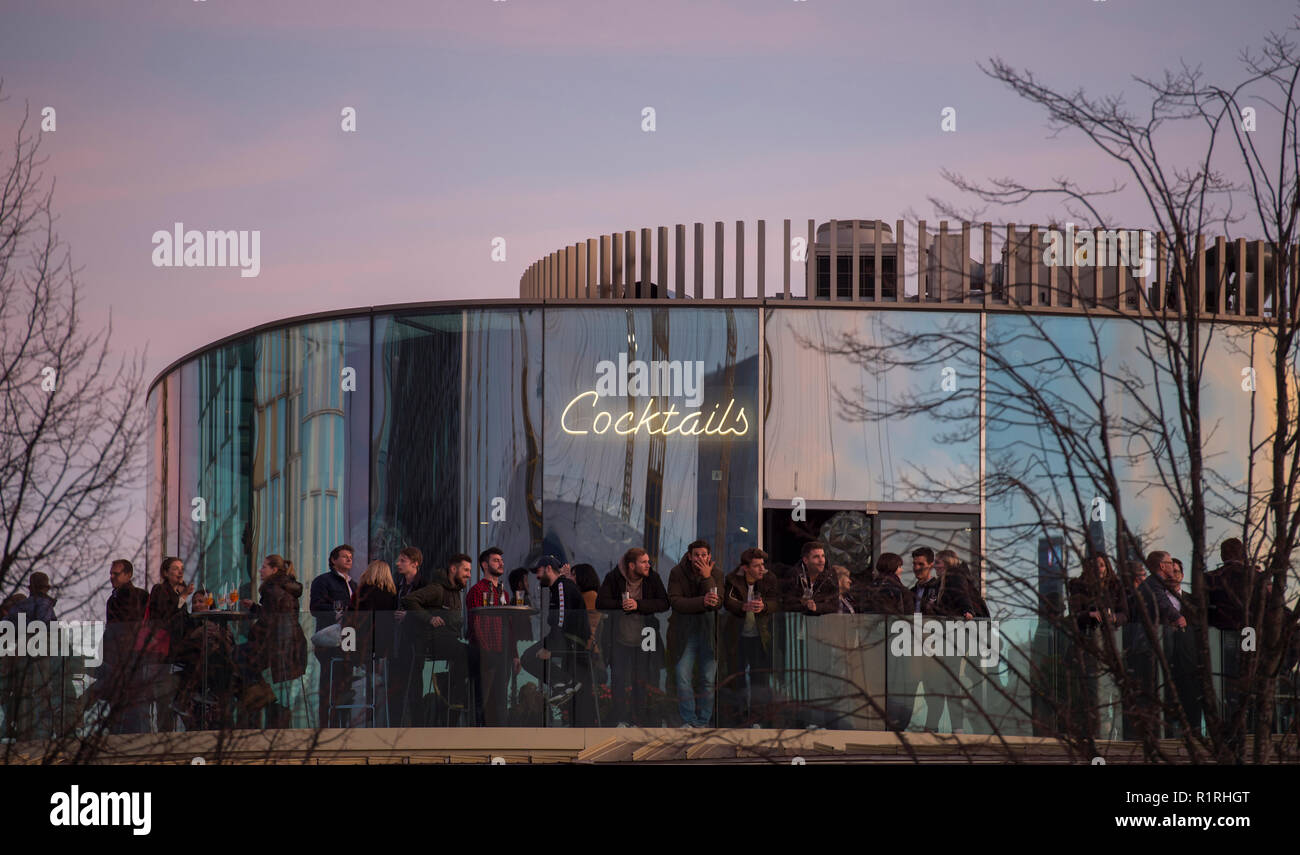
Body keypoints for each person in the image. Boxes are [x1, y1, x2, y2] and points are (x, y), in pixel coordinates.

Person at [596, 548, 670, 726]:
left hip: (647, 634)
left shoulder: (653, 577)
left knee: (644, 677)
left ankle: (641, 718)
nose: (648, 565)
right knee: (618, 677)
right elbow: (600, 603)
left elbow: (664, 603)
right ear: (631, 565)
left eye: (648, 562)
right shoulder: (614, 577)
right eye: (643, 562)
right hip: (619, 636)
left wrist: (638, 605)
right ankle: (620, 718)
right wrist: (621, 605)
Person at [403, 554, 472, 721]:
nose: (469, 575)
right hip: (433, 640)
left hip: (449, 639)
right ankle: (446, 684)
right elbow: (410, 600)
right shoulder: (437, 589)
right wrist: (429, 618)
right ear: (453, 569)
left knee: (473, 654)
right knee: (466, 653)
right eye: (466, 570)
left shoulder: (455, 592)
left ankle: (455, 693)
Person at [1066, 553, 1128, 739]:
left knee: (1112, 691)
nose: (1098, 569)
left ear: (1107, 567)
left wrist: (1114, 618)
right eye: (1094, 566)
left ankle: (1113, 733)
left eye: (1101, 565)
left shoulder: (1116, 587)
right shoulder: (1077, 586)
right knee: (1091, 692)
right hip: (1087, 646)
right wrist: (1089, 615)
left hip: (1111, 644)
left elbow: (1125, 613)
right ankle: (1092, 734)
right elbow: (1074, 614)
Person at [521, 555, 591, 712]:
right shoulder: (559, 587)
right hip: (564, 637)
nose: (538, 577)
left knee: (528, 658)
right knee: (528, 658)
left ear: (548, 569)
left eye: (539, 572)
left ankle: (566, 682)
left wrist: (550, 648)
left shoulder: (561, 586)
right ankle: (561, 684)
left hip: (568, 639)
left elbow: (561, 618)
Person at [668, 540, 725, 727]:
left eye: (703, 555)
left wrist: (708, 577)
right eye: (696, 555)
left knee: (708, 680)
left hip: (709, 633)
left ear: (709, 556)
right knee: (682, 677)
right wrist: (702, 601)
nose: (700, 558)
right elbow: (675, 601)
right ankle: (689, 720)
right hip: (685, 633)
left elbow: (718, 602)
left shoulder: (716, 574)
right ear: (690, 556)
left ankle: (703, 722)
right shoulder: (677, 572)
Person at [721, 548, 781, 726]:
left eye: (763, 564)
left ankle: (758, 719)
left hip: (760, 637)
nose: (762, 569)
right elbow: (728, 601)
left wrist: (765, 607)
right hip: (738, 637)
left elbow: (777, 602)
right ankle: (739, 718)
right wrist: (742, 606)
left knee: (759, 679)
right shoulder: (733, 579)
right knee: (736, 678)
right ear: (746, 568)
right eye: (757, 566)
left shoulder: (770, 579)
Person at [248, 555, 308, 727]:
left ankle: (267, 713)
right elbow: (278, 614)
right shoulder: (287, 587)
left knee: (239, 661)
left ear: (274, 570)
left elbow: (270, 620)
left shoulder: (271, 588)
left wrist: (252, 632)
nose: (260, 570)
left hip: (279, 645)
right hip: (293, 644)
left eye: (264, 567)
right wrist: (254, 608)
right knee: (280, 691)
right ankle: (275, 714)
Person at [465, 547, 519, 726]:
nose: (501, 563)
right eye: (496, 560)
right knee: (482, 699)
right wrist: (485, 652)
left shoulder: (503, 593)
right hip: (485, 653)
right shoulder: (476, 590)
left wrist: (515, 654)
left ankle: (500, 740)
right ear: (484, 564)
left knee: (501, 700)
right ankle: (477, 738)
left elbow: (509, 627)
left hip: (502, 652)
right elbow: (476, 624)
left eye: (501, 560)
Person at [345, 560, 399, 727]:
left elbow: (350, 621)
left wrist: (348, 648)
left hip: (363, 644)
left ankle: (364, 717)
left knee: (364, 681)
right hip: (385, 646)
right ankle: (382, 719)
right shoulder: (392, 595)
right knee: (382, 683)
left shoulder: (360, 593)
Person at [146, 557, 196, 732]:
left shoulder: (177, 594)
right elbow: (164, 617)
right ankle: (164, 736)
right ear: (166, 573)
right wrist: (183, 597)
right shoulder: (159, 590)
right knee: (164, 697)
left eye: (181, 568)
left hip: (177, 651)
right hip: (163, 653)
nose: (180, 571)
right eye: (175, 568)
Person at [309, 544, 355, 727]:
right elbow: (315, 608)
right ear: (333, 560)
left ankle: (345, 723)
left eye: (351, 556)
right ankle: (327, 725)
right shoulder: (323, 581)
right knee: (329, 683)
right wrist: (334, 613)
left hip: (349, 638)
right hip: (329, 638)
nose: (349, 559)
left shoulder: (354, 584)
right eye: (345, 556)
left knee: (346, 683)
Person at [102, 559, 149, 733]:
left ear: (128, 575)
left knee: (130, 698)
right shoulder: (114, 598)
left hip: (128, 654)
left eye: (116, 573)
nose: (112, 577)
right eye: (111, 573)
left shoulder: (135, 595)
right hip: (121, 654)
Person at [387, 546, 423, 726]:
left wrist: (409, 616)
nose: (397, 563)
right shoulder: (397, 586)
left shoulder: (424, 585)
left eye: (402, 560)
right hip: (398, 644)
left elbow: (429, 613)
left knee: (414, 686)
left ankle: (416, 727)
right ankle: (395, 727)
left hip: (414, 645)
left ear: (415, 564)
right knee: (396, 688)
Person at [781, 541, 838, 615]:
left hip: (823, 622)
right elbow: (786, 604)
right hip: (798, 622)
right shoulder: (793, 575)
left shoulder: (830, 575)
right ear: (806, 560)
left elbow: (834, 605)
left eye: (823, 556)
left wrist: (816, 607)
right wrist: (804, 604)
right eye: (816, 557)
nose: (821, 560)